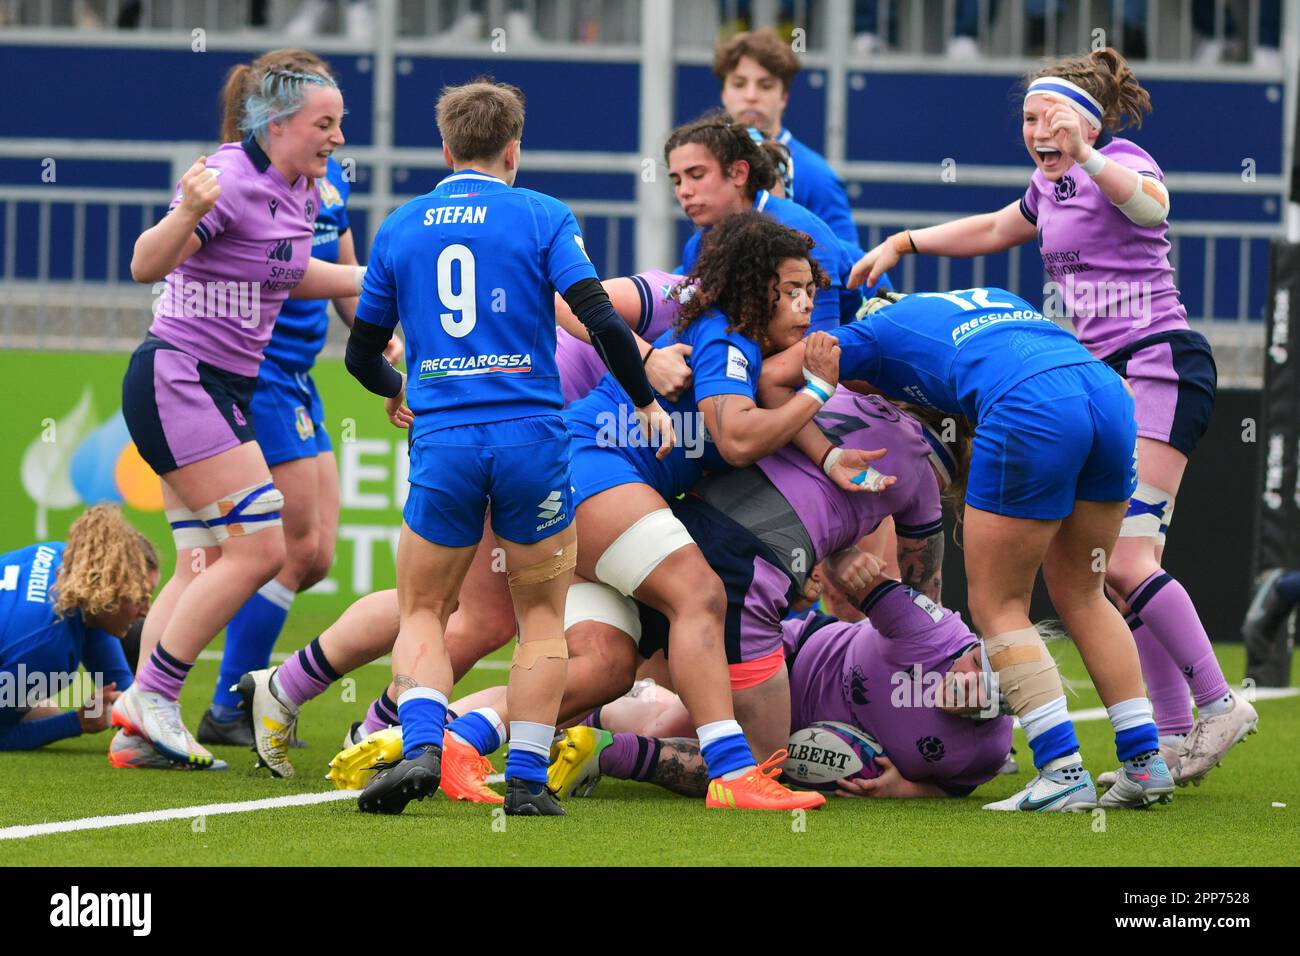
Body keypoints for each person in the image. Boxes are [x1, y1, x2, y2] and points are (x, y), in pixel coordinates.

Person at [851, 49, 1256, 788]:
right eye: (1030, 118)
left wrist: (1092, 152)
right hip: (1102, 379)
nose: (1038, 129)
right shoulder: (1049, 184)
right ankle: (1165, 739)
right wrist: (905, 242)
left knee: (1126, 563)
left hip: (1155, 362)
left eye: (1051, 116)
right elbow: (994, 227)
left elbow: (1152, 206)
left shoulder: (1117, 159)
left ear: (1088, 121)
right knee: (1108, 572)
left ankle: (1220, 702)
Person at [337, 78, 669, 816]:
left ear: (446, 149)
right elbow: (604, 323)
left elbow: (358, 358)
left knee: (425, 610)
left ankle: (422, 743)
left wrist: (401, 385)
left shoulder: (399, 227)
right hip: (533, 440)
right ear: (512, 149)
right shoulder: (544, 215)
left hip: (446, 438)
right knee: (543, 617)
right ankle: (523, 780)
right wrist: (645, 400)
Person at [765, 288, 1171, 811]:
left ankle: (1063, 771)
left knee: (999, 605)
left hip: (1031, 404)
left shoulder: (871, 334)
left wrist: (823, 450)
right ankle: (1144, 763)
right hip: (1107, 393)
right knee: (1086, 593)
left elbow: (775, 376)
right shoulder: (982, 300)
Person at [116, 61, 361, 769]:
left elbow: (289, 276)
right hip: (180, 378)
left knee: (205, 561)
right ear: (275, 125)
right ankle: (154, 695)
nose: (339, 138)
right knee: (263, 549)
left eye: (341, 122)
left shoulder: (302, 189)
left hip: (218, 386)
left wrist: (377, 278)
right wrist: (187, 212)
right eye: (325, 124)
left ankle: (140, 732)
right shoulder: (226, 179)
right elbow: (143, 263)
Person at [195, 49, 401, 750]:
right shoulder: (241, 179)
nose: (337, 136)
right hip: (253, 373)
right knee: (290, 543)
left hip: (300, 375)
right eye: (326, 120)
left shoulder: (327, 180)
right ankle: (227, 701)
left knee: (312, 555)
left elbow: (344, 276)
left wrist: (378, 340)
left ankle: (231, 694)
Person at [548, 568, 1014, 801]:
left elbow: (952, 788)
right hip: (788, 662)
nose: (964, 675)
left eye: (981, 687)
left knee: (741, 771)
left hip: (805, 746)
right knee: (668, 729)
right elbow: (848, 566)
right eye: (974, 659)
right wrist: (822, 570)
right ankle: (567, 723)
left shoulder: (986, 750)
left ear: (1000, 709)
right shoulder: (933, 632)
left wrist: (907, 790)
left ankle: (603, 745)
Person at [0, 506, 169, 765]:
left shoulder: (66, 559)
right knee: (44, 713)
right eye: (139, 598)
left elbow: (117, 680)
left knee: (38, 707)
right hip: (30, 641)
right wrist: (76, 722)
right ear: (108, 591)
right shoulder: (46, 647)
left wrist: (136, 707)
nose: (147, 610)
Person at [668, 114, 847, 335]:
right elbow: (696, 332)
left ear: (739, 173)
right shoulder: (697, 245)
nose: (684, 191)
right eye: (676, 181)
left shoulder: (801, 230)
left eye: (696, 175)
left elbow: (819, 347)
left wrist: (727, 370)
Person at [714, 28, 857, 246]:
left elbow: (848, 263)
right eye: (739, 83)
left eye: (765, 85)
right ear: (724, 94)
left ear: (784, 97)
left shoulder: (817, 175)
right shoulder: (712, 162)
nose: (751, 96)